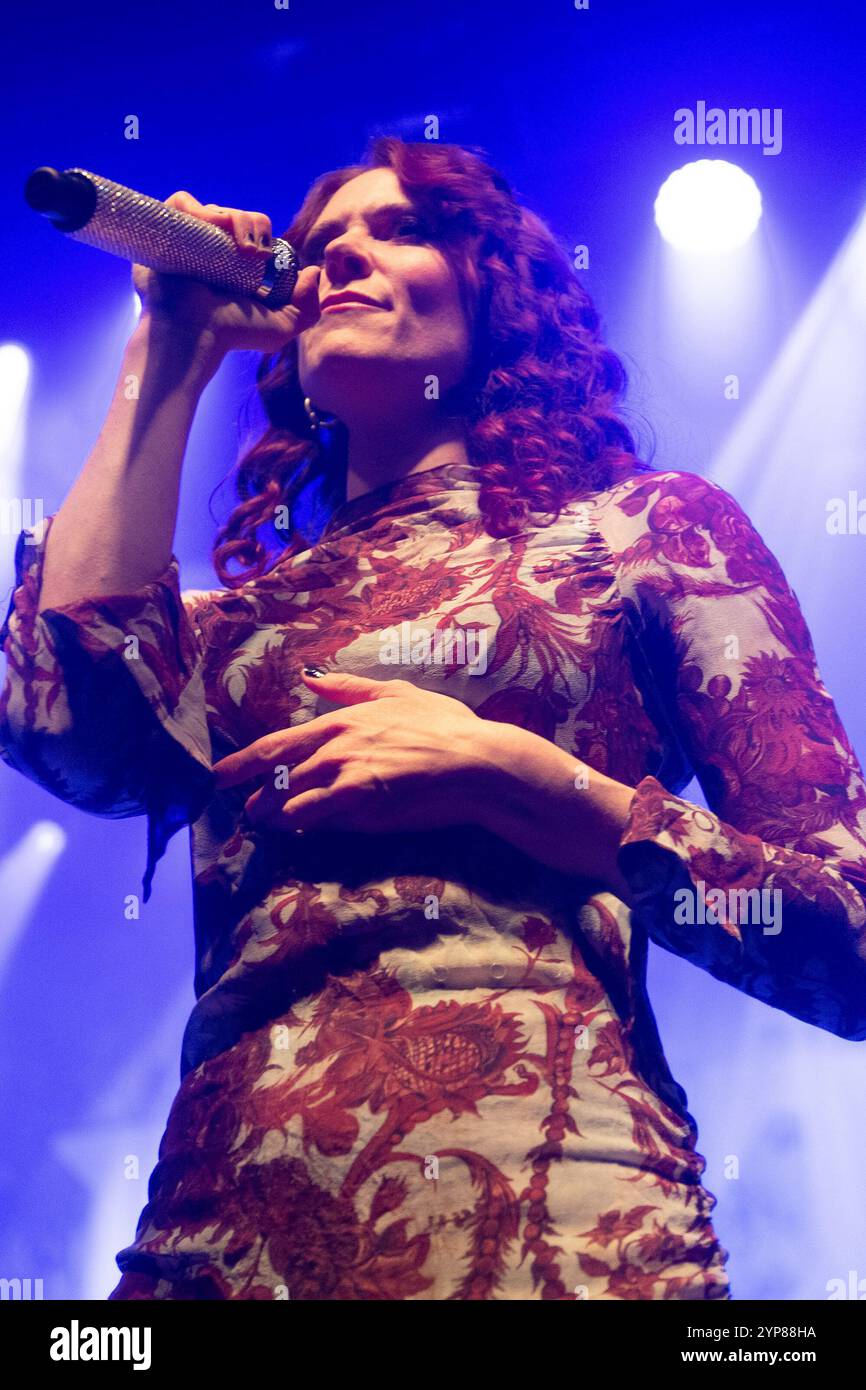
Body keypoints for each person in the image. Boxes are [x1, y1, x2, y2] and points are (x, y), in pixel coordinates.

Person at [2, 136, 865, 1302]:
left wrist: (527, 783)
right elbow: (59, 717)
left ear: (499, 293)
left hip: (555, 1239)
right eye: (318, 247)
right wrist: (169, 346)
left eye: (398, 229)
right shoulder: (232, 625)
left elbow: (845, 935)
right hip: (212, 1253)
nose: (343, 253)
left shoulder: (645, 533)